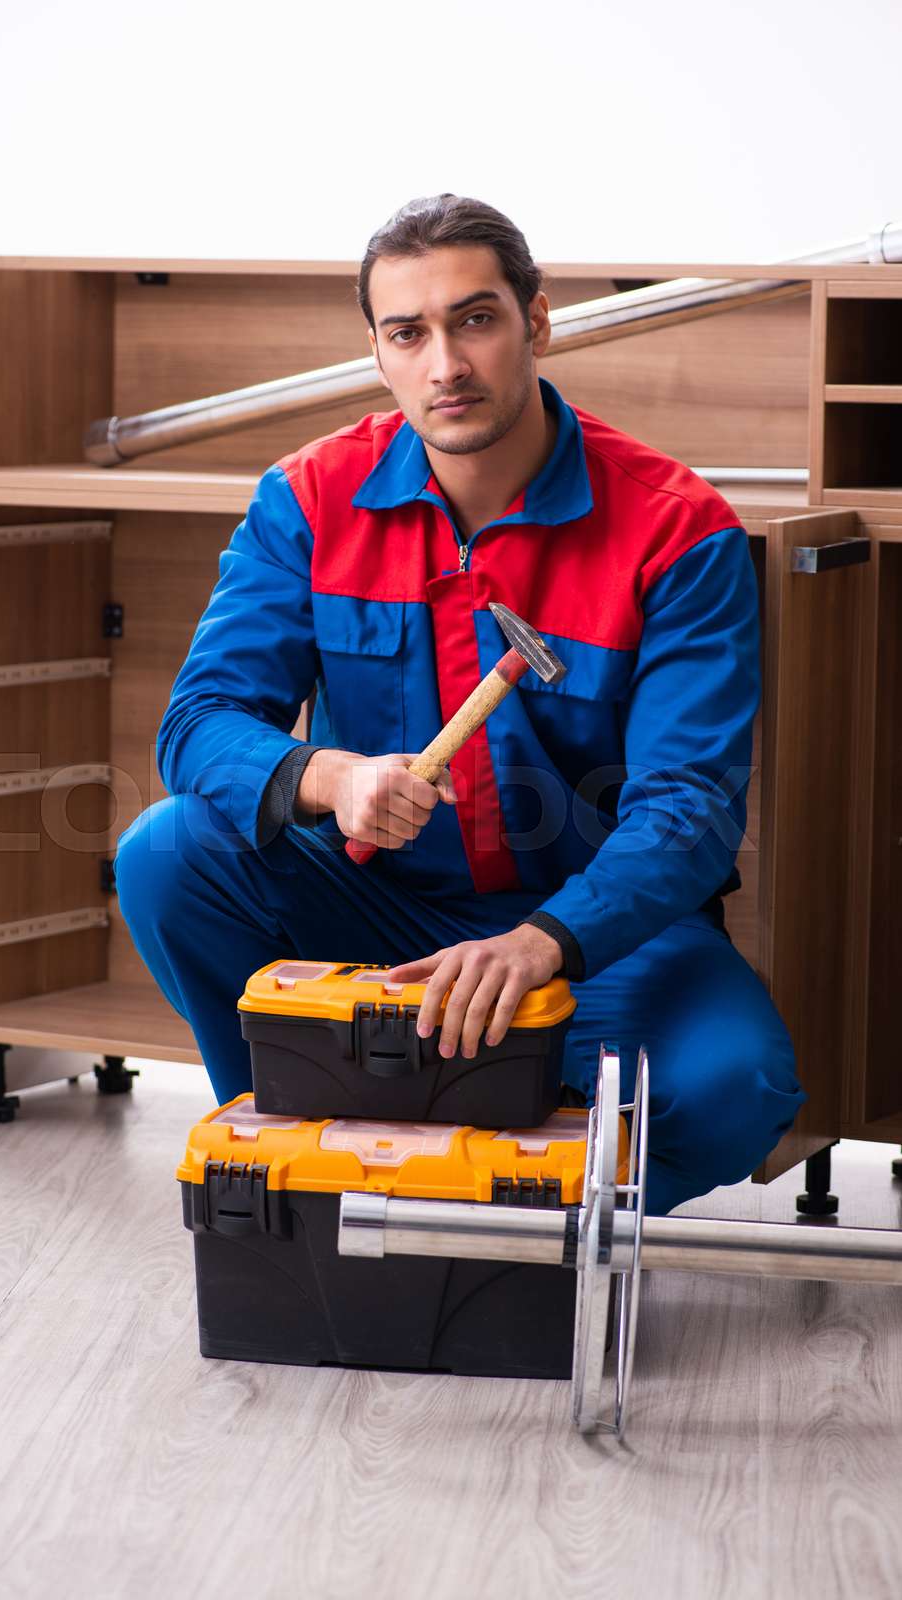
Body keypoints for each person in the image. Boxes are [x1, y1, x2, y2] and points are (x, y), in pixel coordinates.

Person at [115, 194, 806, 1214]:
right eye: (410, 333)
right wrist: (326, 777)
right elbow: (197, 722)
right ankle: (304, 1173)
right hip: (373, 916)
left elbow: (688, 811)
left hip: (592, 936)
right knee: (168, 853)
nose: (446, 364)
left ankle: (486, 1210)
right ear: (381, 353)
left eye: (475, 319)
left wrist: (541, 945)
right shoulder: (308, 499)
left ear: (537, 320)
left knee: (738, 1086)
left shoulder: (674, 529)